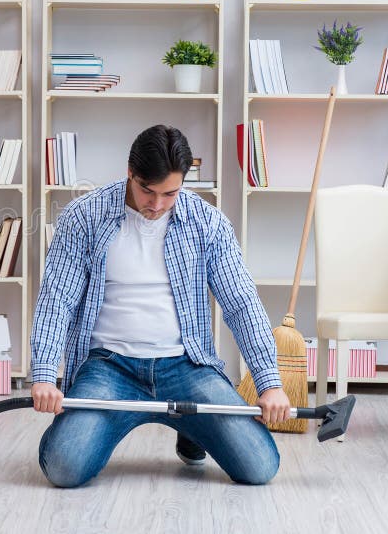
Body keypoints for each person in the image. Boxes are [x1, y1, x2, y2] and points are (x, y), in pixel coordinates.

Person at [30, 124, 290, 488]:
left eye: (170, 193)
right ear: (129, 173)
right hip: (110, 367)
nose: (156, 205)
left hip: (186, 365)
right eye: (146, 191)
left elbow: (241, 303)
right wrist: (44, 374)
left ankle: (192, 428)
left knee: (260, 466)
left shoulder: (207, 222)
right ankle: (93, 426)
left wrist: (269, 383)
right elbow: (57, 300)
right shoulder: (83, 217)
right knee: (64, 468)